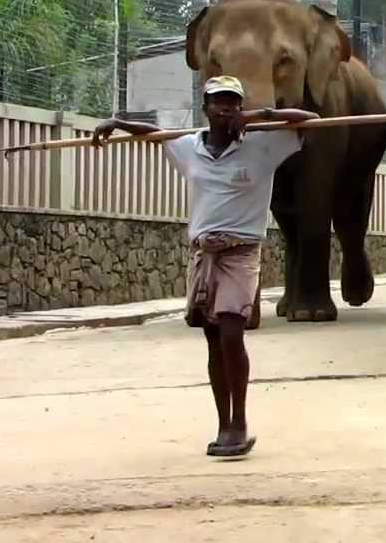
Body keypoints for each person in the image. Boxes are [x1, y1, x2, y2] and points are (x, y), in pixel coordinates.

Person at [92, 75, 319, 457]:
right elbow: (155, 132)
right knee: (213, 338)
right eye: (218, 102)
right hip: (203, 254)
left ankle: (240, 422)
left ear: (240, 107)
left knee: (232, 330)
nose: (225, 108)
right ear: (206, 109)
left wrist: (261, 116)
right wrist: (117, 123)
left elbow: (309, 119)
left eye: (232, 102)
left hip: (241, 252)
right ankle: (223, 423)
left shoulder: (264, 146)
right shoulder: (189, 148)